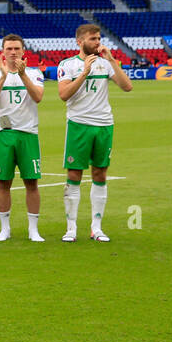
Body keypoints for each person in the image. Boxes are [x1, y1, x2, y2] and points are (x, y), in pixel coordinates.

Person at [57, 23, 132, 242]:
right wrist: (84, 73)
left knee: (100, 174)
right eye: (93, 39)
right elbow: (64, 94)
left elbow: (127, 86)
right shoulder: (68, 65)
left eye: (99, 39)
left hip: (103, 125)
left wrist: (111, 60)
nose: (98, 42)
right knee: (74, 175)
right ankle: (71, 229)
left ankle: (96, 228)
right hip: (79, 125)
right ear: (79, 42)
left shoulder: (105, 63)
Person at [0, 35, 46, 243]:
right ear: (3, 51)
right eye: (9, 48)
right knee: (4, 183)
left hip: (28, 133)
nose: (13, 52)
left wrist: (22, 75)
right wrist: (3, 77)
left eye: (16, 48)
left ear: (23, 51)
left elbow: (38, 97)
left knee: (31, 182)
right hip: (4, 134)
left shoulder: (34, 73)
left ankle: (33, 230)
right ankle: (5, 229)